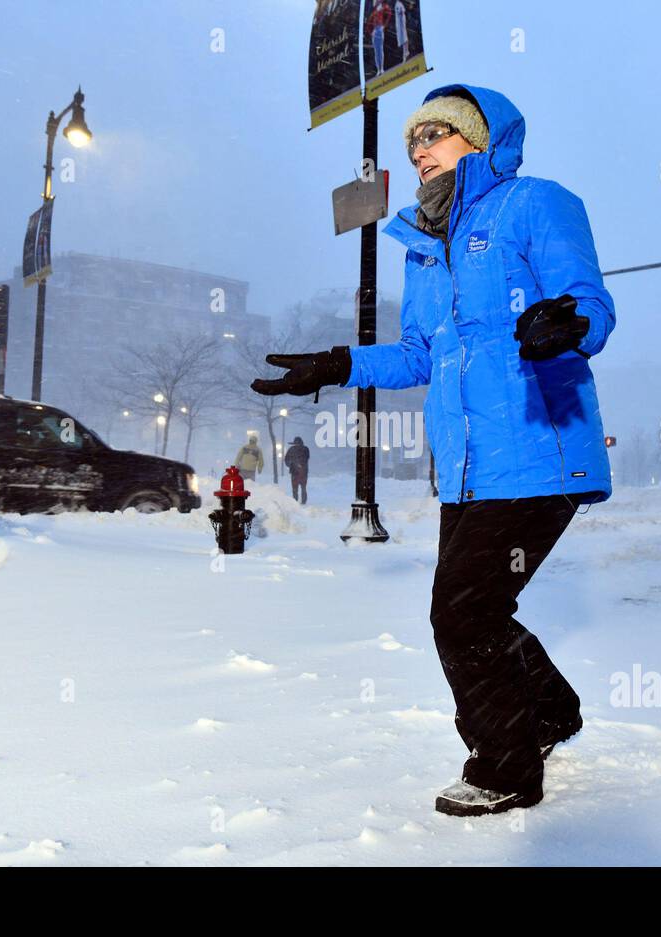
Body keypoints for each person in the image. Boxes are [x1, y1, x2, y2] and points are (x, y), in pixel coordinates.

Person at [252, 84, 616, 817]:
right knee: (478, 609)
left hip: (539, 448)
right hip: (467, 468)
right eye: (413, 140)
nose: (418, 149)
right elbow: (419, 355)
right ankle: (548, 713)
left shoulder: (535, 203)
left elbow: (593, 305)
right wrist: (337, 365)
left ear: (480, 141)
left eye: (436, 134)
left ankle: (507, 766)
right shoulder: (424, 245)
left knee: (463, 615)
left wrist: (564, 322)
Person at [284, 436, 310, 504]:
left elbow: (306, 459)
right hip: (299, 472)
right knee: (300, 488)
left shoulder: (302, 449)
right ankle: (297, 502)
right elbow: (287, 460)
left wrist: (293, 464)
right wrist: (292, 464)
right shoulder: (304, 449)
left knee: (299, 488)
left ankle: (298, 501)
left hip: (299, 472)